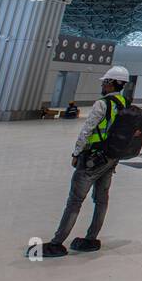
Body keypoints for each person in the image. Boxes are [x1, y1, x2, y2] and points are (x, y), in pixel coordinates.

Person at [39, 66, 131, 257]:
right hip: (111, 157)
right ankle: (91, 238)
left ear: (113, 83)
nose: (103, 85)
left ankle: (57, 243)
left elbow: (87, 129)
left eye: (105, 82)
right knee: (101, 200)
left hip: (92, 157)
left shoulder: (102, 103)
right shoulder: (125, 104)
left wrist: (76, 152)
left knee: (75, 201)